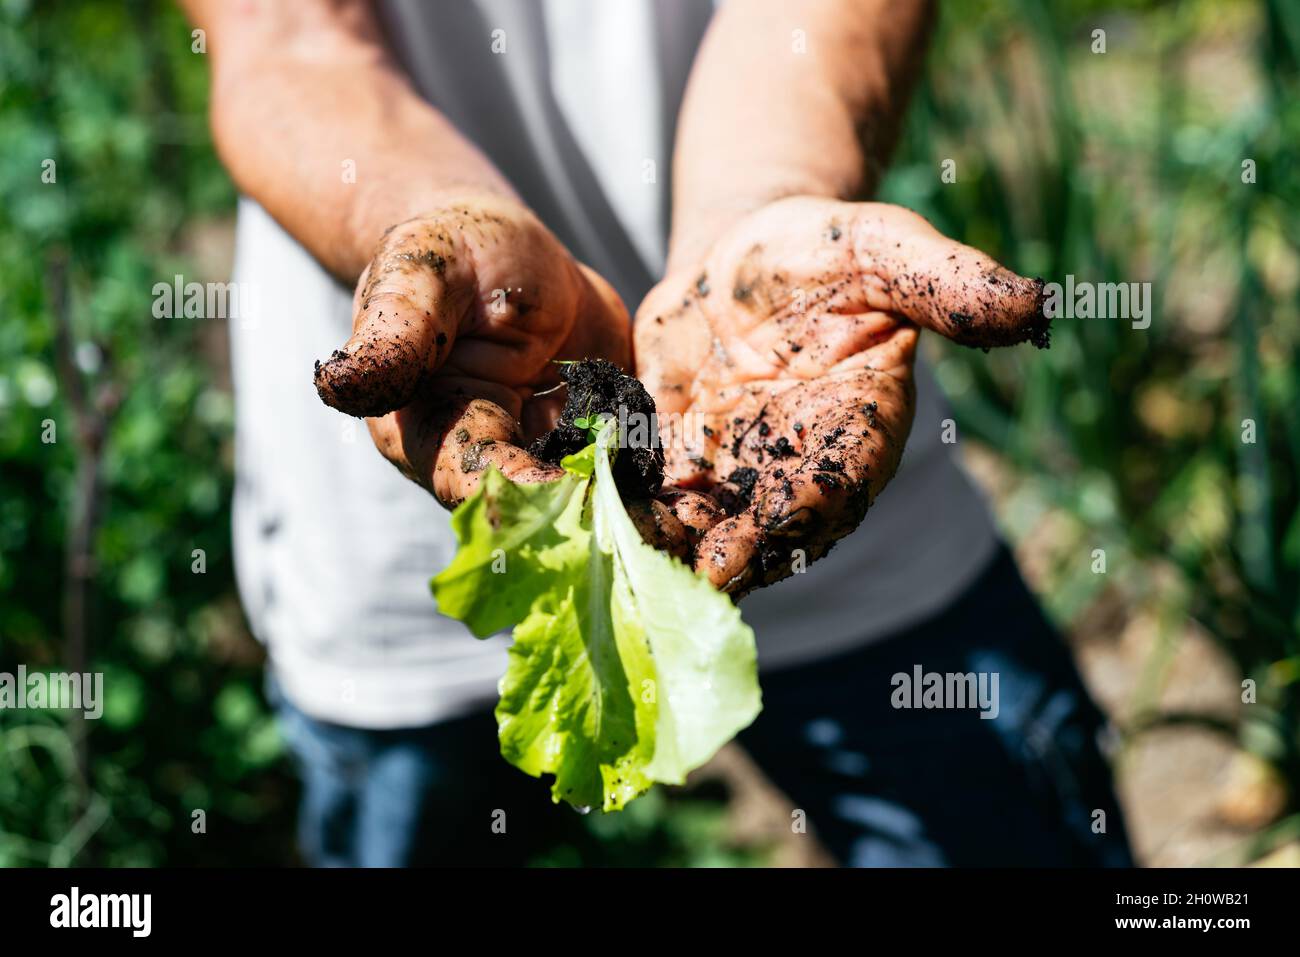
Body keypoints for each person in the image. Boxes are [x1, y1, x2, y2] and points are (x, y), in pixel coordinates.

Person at [182, 0, 1134, 867]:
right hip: (413, 517)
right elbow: (287, 37)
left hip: (805, 438)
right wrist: (427, 227)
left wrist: (765, 201)